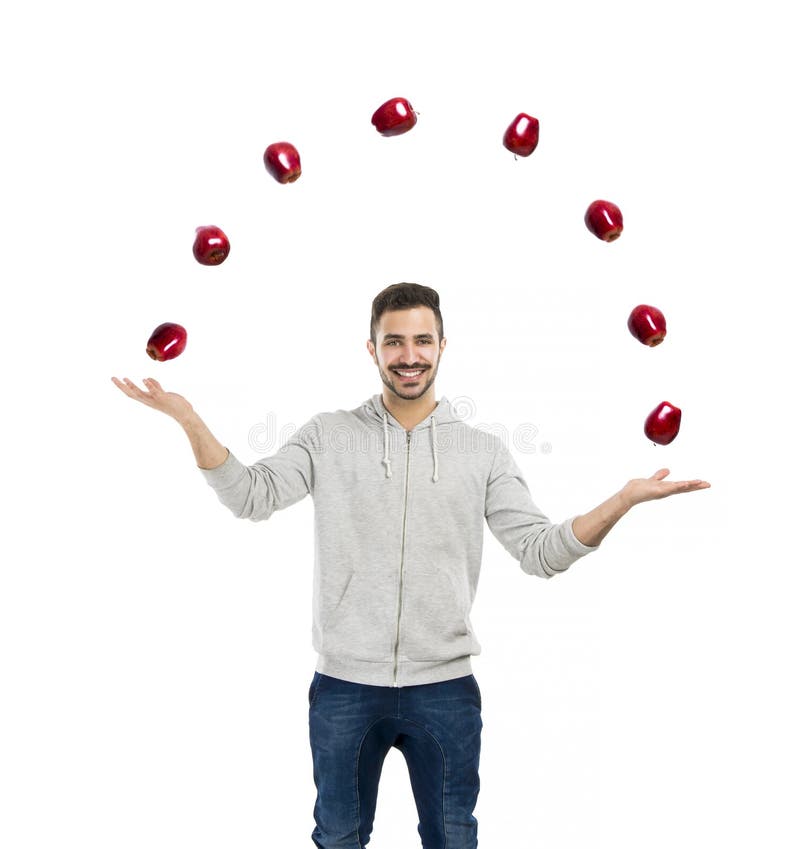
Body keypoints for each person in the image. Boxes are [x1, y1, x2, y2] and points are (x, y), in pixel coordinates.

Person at [111, 282, 710, 849]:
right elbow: (250, 495)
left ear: (442, 347)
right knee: (338, 838)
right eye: (394, 341)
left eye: (422, 341)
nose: (408, 355)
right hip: (345, 685)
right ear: (372, 349)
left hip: (444, 689)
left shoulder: (482, 450)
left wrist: (624, 501)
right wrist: (189, 420)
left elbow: (542, 551)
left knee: (452, 838)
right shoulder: (328, 435)